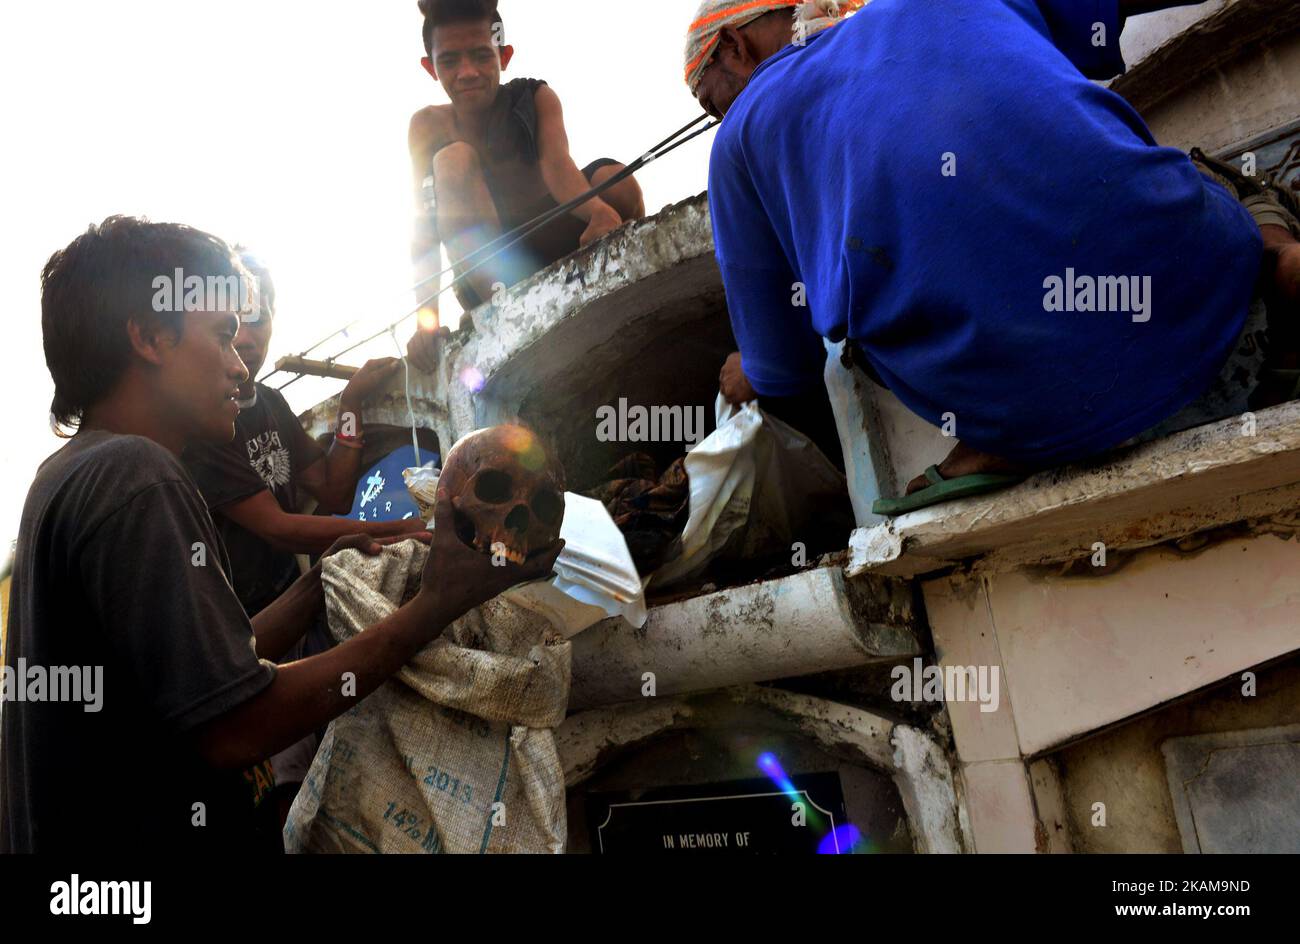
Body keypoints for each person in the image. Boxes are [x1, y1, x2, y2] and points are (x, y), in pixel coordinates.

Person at [0, 217, 562, 853]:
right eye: (222, 337)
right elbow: (236, 726)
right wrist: (438, 603)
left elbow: (205, 680)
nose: (241, 369)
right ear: (153, 336)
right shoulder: (138, 477)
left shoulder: (69, 474)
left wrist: (319, 586)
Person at [689, 0, 1300, 514]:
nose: (720, 117)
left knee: (862, 313)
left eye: (710, 103)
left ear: (733, 47)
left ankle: (994, 437)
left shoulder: (741, 138)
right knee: (1217, 183)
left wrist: (749, 369)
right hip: (1197, 288)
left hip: (1032, 409)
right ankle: (1278, 264)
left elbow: (783, 372)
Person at [406, 0, 646, 371]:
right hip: (489, 269)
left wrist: (599, 213)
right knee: (451, 160)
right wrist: (427, 319)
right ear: (429, 68)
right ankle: (504, 315)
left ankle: (627, 272)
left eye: (481, 56)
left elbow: (557, 165)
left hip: (555, 236)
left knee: (617, 182)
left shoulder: (534, 97)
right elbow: (424, 226)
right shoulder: (427, 126)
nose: (467, 72)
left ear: (504, 56)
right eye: (450, 61)